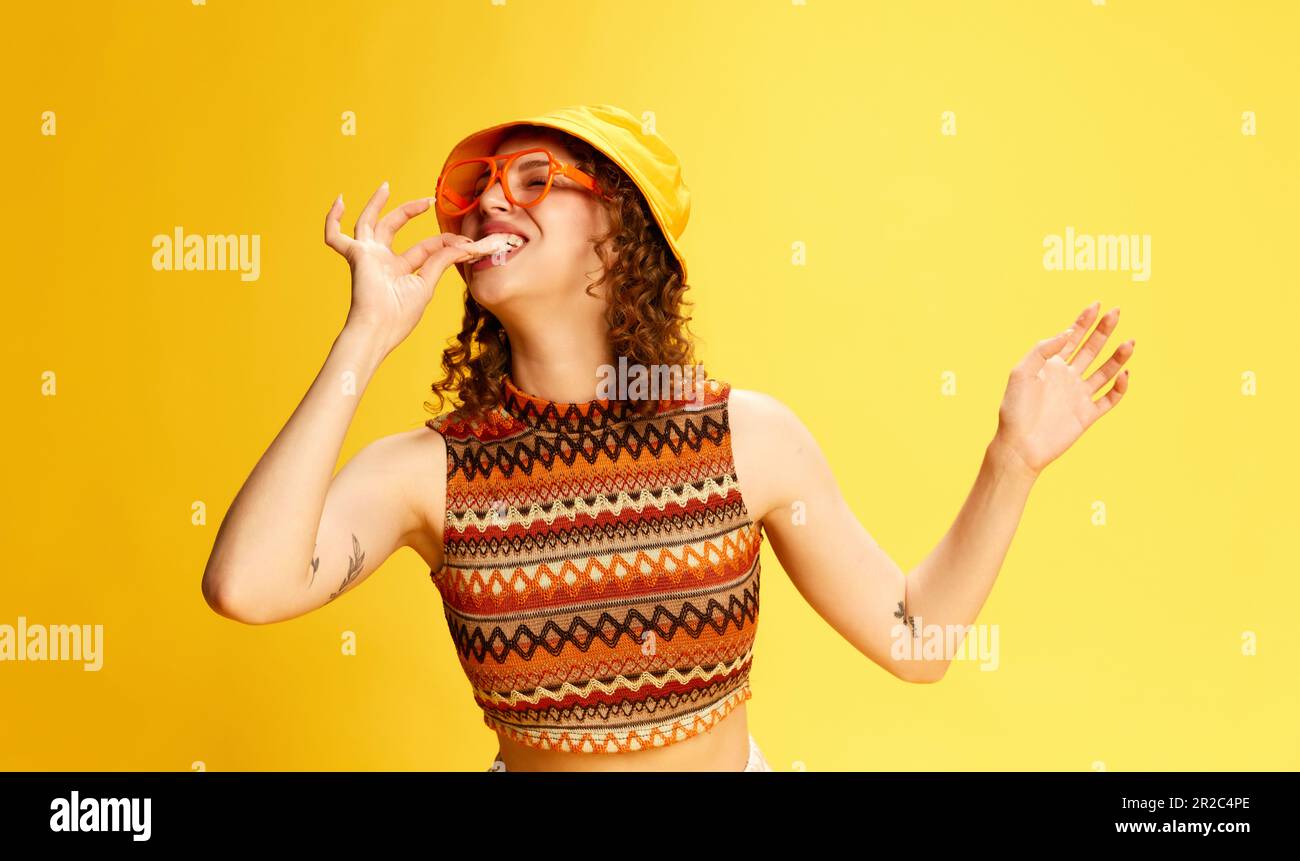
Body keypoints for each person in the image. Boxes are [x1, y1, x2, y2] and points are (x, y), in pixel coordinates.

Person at [200, 104, 1135, 772]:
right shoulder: (430, 472)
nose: (490, 201)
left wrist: (1010, 460)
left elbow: (915, 641)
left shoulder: (747, 438)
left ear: (622, 230)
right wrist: (362, 338)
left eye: (535, 180)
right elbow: (245, 586)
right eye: (481, 185)